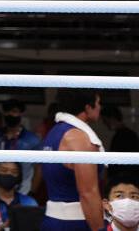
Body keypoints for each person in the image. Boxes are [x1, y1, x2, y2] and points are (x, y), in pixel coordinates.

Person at [40, 88, 104, 231]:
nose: (100, 107)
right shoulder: (79, 139)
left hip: (53, 219)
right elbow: (88, 193)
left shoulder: (54, 132)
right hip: (76, 222)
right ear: (88, 107)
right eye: (98, 103)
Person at [0, 100, 42, 194]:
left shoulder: (32, 140)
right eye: (7, 111)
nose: (10, 114)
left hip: (23, 192)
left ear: (21, 114)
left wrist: (32, 193)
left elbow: (38, 169)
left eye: (14, 111)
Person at [103, 105, 139, 179]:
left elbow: (117, 164)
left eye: (105, 120)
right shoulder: (128, 134)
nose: (105, 123)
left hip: (125, 178)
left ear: (112, 118)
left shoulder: (122, 136)